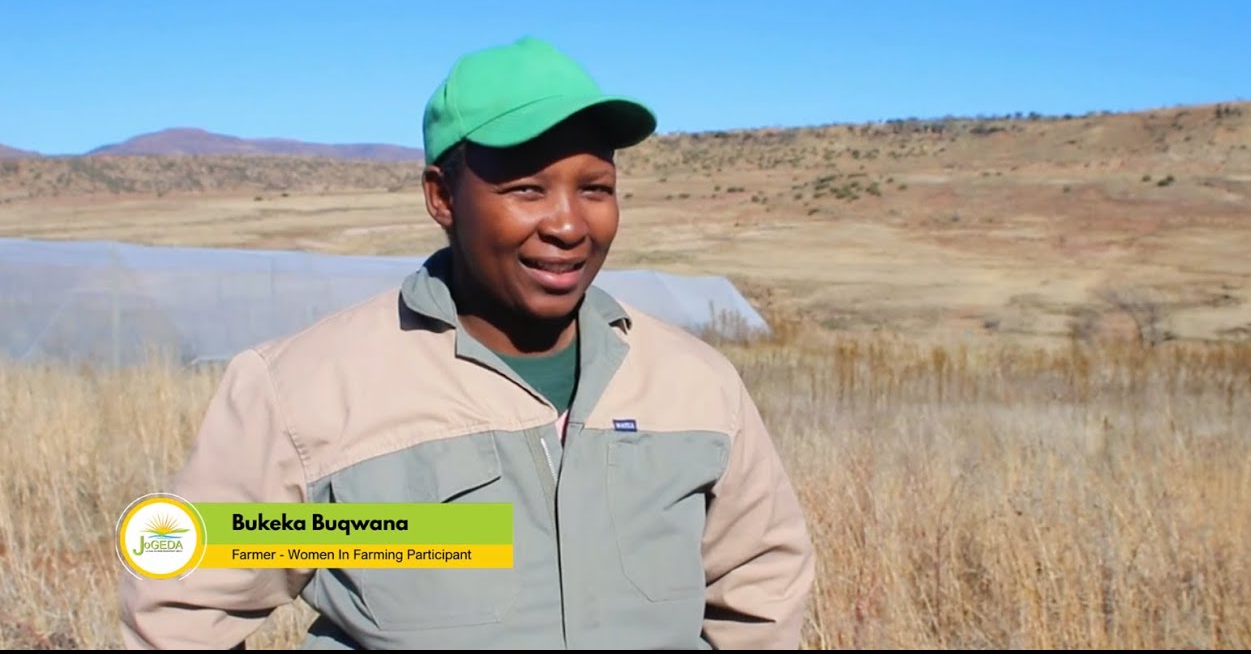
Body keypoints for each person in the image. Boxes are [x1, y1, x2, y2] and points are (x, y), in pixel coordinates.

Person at [119, 36, 815, 650]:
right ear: (442, 197)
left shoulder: (693, 384)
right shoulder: (309, 394)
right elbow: (183, 609)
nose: (569, 224)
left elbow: (760, 587)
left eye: (595, 188)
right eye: (526, 188)